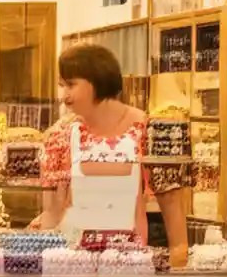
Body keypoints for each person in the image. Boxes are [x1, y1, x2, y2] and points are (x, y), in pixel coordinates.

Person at [31, 43, 191, 265]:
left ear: (97, 80)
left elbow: (172, 206)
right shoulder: (60, 135)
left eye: (70, 85)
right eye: (61, 85)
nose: (63, 95)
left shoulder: (152, 130)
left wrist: (180, 263)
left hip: (130, 263)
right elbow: (52, 213)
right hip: (73, 262)